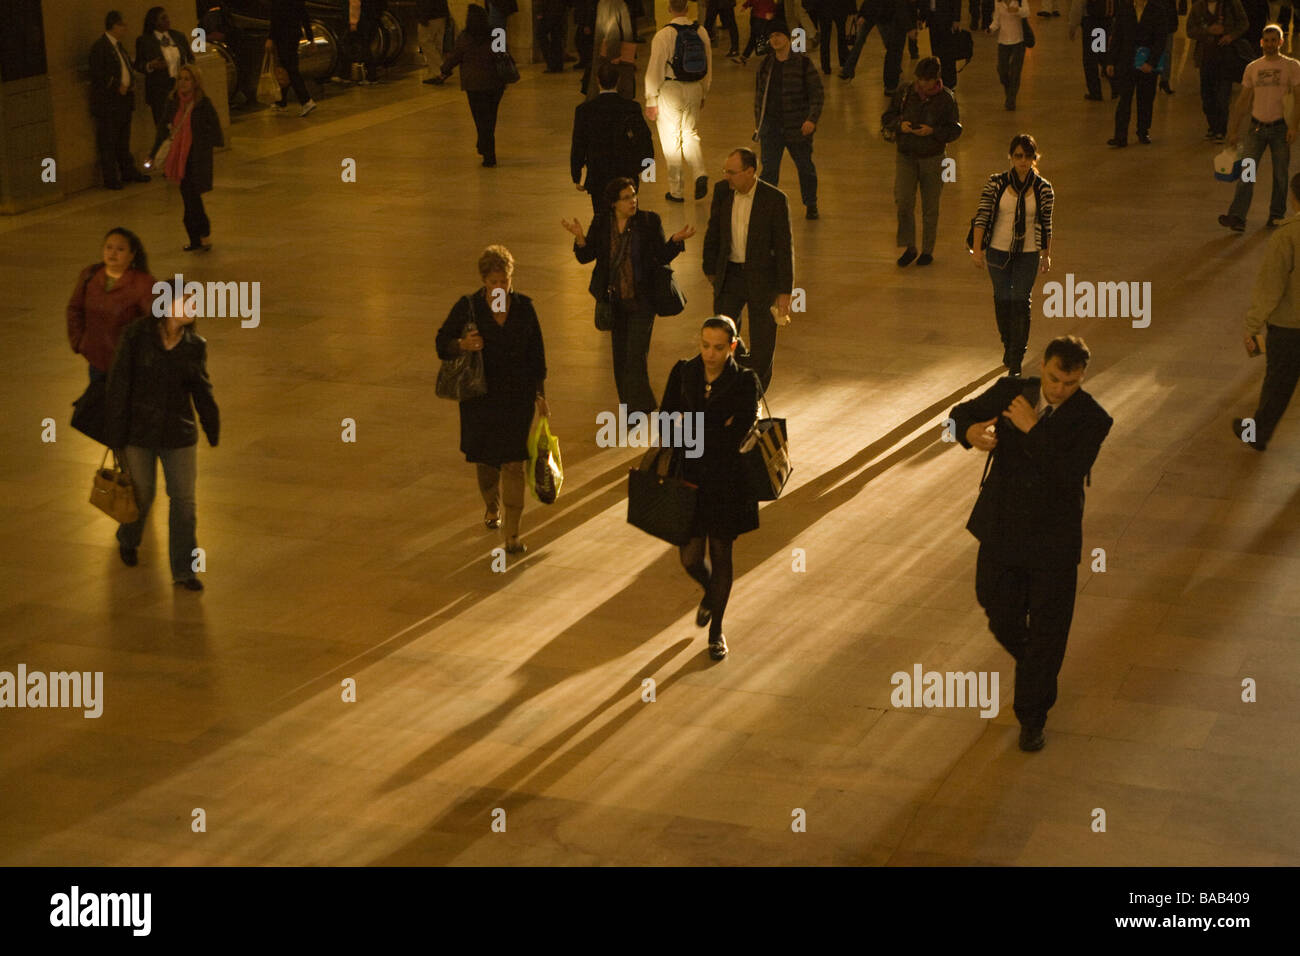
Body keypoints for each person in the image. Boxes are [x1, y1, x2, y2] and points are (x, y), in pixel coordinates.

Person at [949, 335, 1113, 751]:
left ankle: (1032, 716)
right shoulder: (1012, 391)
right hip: (1002, 528)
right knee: (995, 606)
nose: (1059, 389)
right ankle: (1037, 668)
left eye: (1070, 383)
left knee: (1049, 632)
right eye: (1055, 378)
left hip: (1053, 542)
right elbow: (956, 417)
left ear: (1082, 379)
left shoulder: (1093, 420)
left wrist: (1033, 428)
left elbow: (1067, 473)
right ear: (1044, 365)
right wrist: (970, 430)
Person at [658, 316, 761, 661]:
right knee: (689, 556)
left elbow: (738, 432)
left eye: (718, 347)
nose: (709, 354)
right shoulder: (683, 371)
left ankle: (716, 630)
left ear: (732, 347)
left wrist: (693, 429)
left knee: (721, 556)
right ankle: (710, 593)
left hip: (726, 482)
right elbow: (667, 421)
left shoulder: (745, 381)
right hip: (689, 478)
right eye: (704, 345)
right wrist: (706, 429)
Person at [434, 245, 548, 555]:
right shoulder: (468, 307)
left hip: (516, 397)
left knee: (513, 463)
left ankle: (512, 533)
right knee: (486, 461)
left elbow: (537, 352)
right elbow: (441, 342)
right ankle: (490, 504)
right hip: (480, 397)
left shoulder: (524, 308)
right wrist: (462, 344)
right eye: (494, 281)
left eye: (505, 281)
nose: (500, 287)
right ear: (484, 281)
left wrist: (540, 393)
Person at [104, 294, 220, 590]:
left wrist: (211, 423)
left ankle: (184, 571)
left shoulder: (195, 346)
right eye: (186, 302)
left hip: (178, 434)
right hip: (138, 433)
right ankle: (128, 537)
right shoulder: (137, 335)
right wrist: (115, 433)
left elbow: (201, 388)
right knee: (142, 495)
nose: (193, 308)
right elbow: (119, 383)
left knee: (184, 503)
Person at [562, 178, 695, 414]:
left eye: (634, 195)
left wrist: (675, 241)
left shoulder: (648, 221)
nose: (633, 201)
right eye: (626, 197)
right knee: (620, 360)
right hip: (615, 301)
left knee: (635, 358)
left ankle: (643, 412)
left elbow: (660, 257)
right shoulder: (602, 222)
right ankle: (631, 409)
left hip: (642, 300)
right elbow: (587, 256)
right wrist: (580, 238)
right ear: (614, 203)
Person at [702, 147, 795, 390]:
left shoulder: (774, 199)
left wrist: (785, 291)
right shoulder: (723, 192)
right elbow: (713, 232)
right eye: (725, 171)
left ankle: (755, 394)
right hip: (730, 275)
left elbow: (785, 248)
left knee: (764, 343)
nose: (726, 177)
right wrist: (711, 270)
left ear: (750, 171)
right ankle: (732, 383)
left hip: (763, 279)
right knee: (722, 335)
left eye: (732, 172)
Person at [970, 134, 1055, 375]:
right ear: (1010, 157)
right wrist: (977, 250)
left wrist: (1046, 254)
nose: (1023, 161)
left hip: (1027, 253)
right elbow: (982, 217)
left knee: (1020, 301)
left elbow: (1046, 224)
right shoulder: (996, 183)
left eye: (1028, 156)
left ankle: (1017, 355)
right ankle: (1008, 344)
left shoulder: (1043, 188)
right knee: (1002, 300)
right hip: (998, 252)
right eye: (1019, 155)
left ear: (1034, 158)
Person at [1234, 172, 1300, 450]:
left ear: (1294, 199)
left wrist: (1253, 326)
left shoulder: (1287, 236)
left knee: (1277, 388)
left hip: (1289, 329)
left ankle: (1258, 434)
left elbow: (1270, 286)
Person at [883, 55, 962, 266]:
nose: (923, 85)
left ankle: (927, 250)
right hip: (906, 155)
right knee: (903, 201)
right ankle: (910, 246)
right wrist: (900, 125)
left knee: (930, 207)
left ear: (936, 79)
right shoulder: (906, 92)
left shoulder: (946, 98)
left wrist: (933, 131)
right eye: (920, 80)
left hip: (934, 158)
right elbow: (887, 117)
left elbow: (955, 130)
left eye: (927, 81)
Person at [1219, 24, 1300, 229]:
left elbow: (1299, 98)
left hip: (1280, 128)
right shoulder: (1253, 67)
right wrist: (1233, 130)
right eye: (1267, 41)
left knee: (1280, 175)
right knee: (1248, 172)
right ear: (1261, 42)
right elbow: (1243, 101)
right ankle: (1237, 216)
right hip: (1256, 128)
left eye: (1275, 40)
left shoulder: (1292, 66)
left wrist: (1293, 127)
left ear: (1281, 42)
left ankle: (1276, 215)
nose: (1270, 44)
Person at [148, 64, 223, 252]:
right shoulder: (173, 102)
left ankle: (200, 236)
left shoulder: (202, 103)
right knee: (190, 198)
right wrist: (153, 152)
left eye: (187, 79)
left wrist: (206, 144)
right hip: (178, 157)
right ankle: (200, 237)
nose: (182, 83)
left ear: (195, 82)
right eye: (180, 78)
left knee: (191, 199)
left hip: (195, 157)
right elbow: (162, 129)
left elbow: (214, 128)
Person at [67, 228, 156, 386]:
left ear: (132, 254)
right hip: (97, 358)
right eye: (109, 247)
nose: (113, 253)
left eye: (120, 249)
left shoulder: (144, 283)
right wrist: (80, 341)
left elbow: (153, 322)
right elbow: (75, 309)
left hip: (128, 362)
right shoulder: (90, 275)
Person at [754, 20, 823, 219]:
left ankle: (811, 203)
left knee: (805, 167)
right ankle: (767, 207)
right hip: (771, 128)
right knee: (769, 171)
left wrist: (811, 120)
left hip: (797, 128)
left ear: (788, 38)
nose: (775, 39)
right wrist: (759, 124)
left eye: (779, 35)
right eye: (772, 36)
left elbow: (817, 94)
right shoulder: (766, 64)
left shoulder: (802, 63)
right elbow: (759, 97)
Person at [646, 0, 712, 204]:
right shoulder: (701, 31)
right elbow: (708, 66)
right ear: (688, 8)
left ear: (669, 9)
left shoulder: (663, 35)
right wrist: (703, 93)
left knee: (671, 140)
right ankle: (700, 172)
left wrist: (651, 99)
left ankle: (676, 191)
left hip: (670, 88)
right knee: (690, 134)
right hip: (694, 87)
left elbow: (655, 69)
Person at [572, 62, 655, 214]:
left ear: (597, 80)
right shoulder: (631, 108)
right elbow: (644, 139)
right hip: (626, 173)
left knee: (601, 218)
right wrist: (646, 168)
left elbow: (578, 144)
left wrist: (577, 175)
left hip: (598, 174)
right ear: (618, 80)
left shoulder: (585, 110)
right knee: (628, 217)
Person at [439, 5, 508, 167]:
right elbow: (503, 55)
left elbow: (454, 57)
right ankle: (486, 147)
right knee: (490, 118)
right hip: (495, 83)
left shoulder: (465, 37)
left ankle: (487, 151)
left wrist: (444, 70)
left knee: (480, 119)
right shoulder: (496, 35)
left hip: (474, 85)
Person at [90, 11, 151, 190]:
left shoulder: (119, 47)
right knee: (108, 141)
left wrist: (130, 83)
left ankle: (127, 170)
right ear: (114, 26)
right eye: (122, 25)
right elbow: (98, 74)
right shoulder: (100, 48)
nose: (125, 28)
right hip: (109, 103)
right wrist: (118, 85)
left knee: (123, 140)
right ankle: (111, 177)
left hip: (123, 102)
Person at [1107, 0, 1175, 146]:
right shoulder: (1125, 8)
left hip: (1147, 64)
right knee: (1124, 99)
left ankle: (1143, 131)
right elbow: (1117, 35)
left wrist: (1151, 62)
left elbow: (1160, 40)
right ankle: (1120, 136)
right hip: (1127, 61)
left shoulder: (1158, 9)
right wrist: (1111, 61)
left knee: (1145, 99)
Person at [1187, 0, 1247, 139]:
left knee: (1222, 96)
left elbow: (1243, 23)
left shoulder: (1232, 4)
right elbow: (1190, 30)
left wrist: (1230, 36)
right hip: (1206, 58)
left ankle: (1221, 129)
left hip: (1226, 58)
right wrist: (1207, 31)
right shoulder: (1198, 7)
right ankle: (1212, 126)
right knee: (1207, 96)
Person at [135, 7, 194, 132]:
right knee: (165, 127)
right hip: (160, 90)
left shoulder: (178, 36)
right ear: (154, 22)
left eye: (167, 17)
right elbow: (138, 64)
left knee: (184, 124)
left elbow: (190, 58)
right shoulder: (145, 41)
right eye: (163, 18)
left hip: (180, 86)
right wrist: (150, 65)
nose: (168, 20)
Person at [840, 0, 910, 92]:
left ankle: (895, 70)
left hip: (879, 15)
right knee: (862, 43)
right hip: (876, 14)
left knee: (889, 46)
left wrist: (863, 14)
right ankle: (847, 70)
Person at [269, 0, 317, 115]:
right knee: (287, 66)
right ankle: (281, 102)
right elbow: (304, 15)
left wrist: (270, 37)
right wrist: (310, 38)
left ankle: (306, 101)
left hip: (283, 36)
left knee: (291, 69)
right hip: (294, 34)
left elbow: (276, 17)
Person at [587, 0, 638, 100]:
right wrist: (617, 57)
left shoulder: (603, 3)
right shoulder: (617, 4)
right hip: (615, 57)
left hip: (603, 55)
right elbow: (615, 32)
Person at [988, 0, 1030, 109]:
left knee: (1015, 72)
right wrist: (991, 29)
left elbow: (1027, 12)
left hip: (1018, 41)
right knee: (1002, 70)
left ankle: (1011, 100)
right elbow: (997, 20)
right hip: (1003, 41)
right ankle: (1009, 89)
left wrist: (1017, 10)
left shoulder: (1020, 1)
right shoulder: (998, 2)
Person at [1070, 0, 1114, 101]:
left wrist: (1073, 26)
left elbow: (1078, 4)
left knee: (1090, 59)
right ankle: (1116, 87)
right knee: (1102, 54)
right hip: (1105, 20)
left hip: (1091, 21)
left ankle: (1095, 92)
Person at [919, 0, 963, 88]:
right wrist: (921, 17)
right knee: (936, 53)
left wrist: (956, 18)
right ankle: (939, 80)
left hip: (947, 19)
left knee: (948, 54)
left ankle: (950, 84)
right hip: (932, 19)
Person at [348, 0, 387, 84]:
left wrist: (353, 22)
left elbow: (355, 3)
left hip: (363, 19)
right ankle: (371, 74)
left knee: (364, 47)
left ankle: (371, 76)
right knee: (367, 46)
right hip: (374, 18)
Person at [418, 0, 451, 83]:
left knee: (426, 42)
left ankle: (441, 69)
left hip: (429, 15)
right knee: (437, 44)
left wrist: (423, 15)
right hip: (441, 14)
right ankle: (435, 74)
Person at [735, 0, 778, 64]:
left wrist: (772, 12)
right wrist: (746, 5)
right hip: (758, 16)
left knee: (757, 37)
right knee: (757, 37)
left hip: (762, 17)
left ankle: (744, 57)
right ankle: (744, 57)